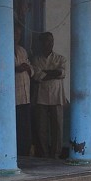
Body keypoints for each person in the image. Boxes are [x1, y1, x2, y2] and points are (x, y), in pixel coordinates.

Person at [31, 31, 66, 159]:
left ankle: (56, 154)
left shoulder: (60, 58)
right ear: (41, 43)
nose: (50, 43)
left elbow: (61, 73)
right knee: (41, 129)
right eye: (47, 41)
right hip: (41, 97)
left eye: (51, 41)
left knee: (58, 128)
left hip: (57, 96)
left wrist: (46, 73)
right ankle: (44, 154)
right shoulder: (36, 59)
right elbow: (37, 76)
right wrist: (53, 73)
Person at [13, 24, 33, 157]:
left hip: (25, 96)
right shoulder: (3, 48)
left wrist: (26, 67)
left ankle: (24, 152)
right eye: (15, 33)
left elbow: (31, 68)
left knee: (24, 127)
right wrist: (17, 68)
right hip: (12, 96)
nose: (17, 37)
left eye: (19, 34)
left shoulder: (22, 50)